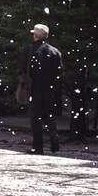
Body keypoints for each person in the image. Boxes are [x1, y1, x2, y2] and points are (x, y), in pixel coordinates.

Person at [22, 23, 63, 154]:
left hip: (34, 88)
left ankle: (38, 146)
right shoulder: (55, 51)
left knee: (36, 118)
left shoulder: (30, 50)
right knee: (50, 116)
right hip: (50, 88)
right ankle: (54, 140)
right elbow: (60, 70)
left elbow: (24, 68)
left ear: (35, 36)